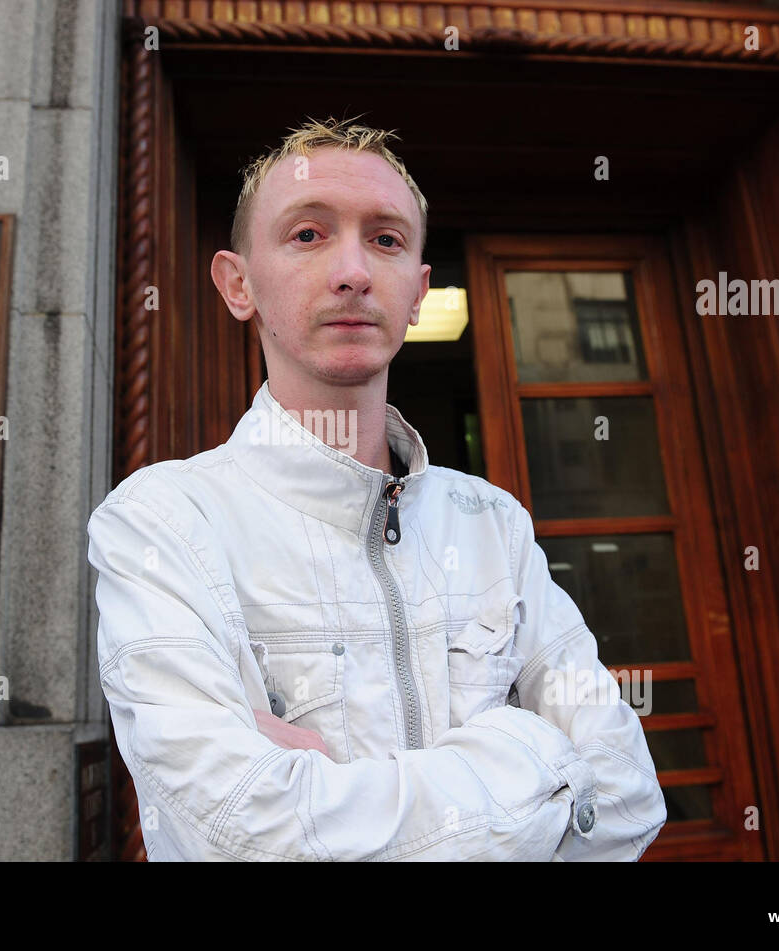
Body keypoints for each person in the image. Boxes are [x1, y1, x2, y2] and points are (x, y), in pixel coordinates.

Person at [87, 116, 667, 861]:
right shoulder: (160, 524)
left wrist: (332, 788)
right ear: (238, 284)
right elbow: (241, 834)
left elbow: (627, 797)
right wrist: (533, 753)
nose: (353, 271)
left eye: (387, 239)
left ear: (419, 290)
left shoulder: (493, 524)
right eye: (308, 234)